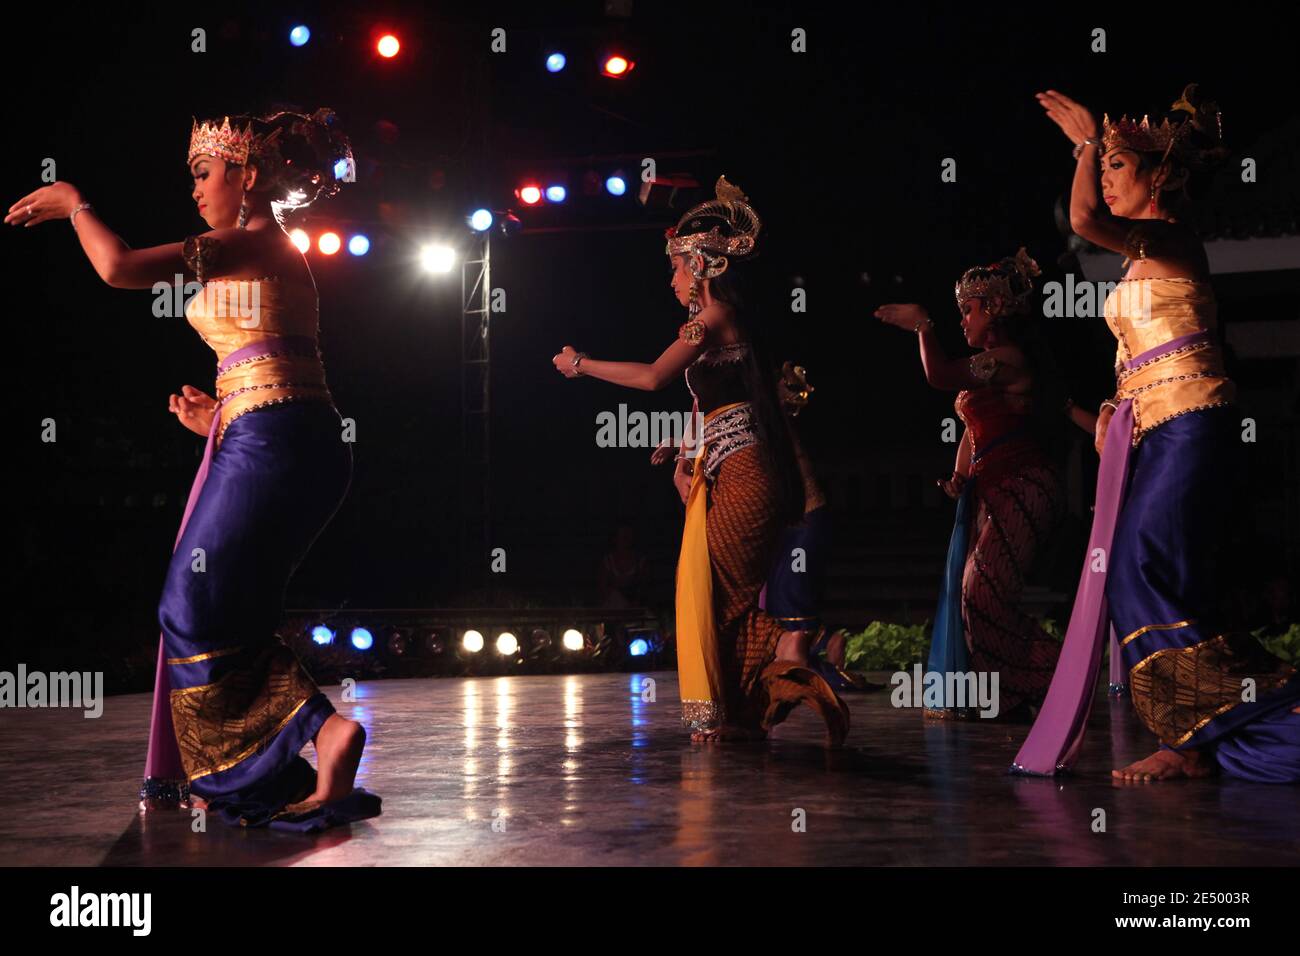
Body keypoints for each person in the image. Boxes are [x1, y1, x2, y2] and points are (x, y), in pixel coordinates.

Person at [7, 110, 382, 826]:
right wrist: (221, 414)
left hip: (277, 442)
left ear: (245, 177)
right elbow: (274, 358)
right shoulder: (261, 253)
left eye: (204, 174)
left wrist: (73, 203)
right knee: (226, 608)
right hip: (279, 436)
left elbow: (118, 268)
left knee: (190, 605)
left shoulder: (248, 242)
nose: (195, 190)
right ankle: (310, 743)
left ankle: (321, 731)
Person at [1014, 84, 1299, 782]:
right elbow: (1150, 345)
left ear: (1160, 176)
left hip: (1193, 423)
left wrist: (1083, 143)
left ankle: (1192, 733)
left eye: (1117, 164)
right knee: (1159, 572)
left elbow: (1079, 216)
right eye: (1104, 163)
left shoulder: (1172, 239)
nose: (1105, 177)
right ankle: (1200, 737)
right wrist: (1116, 403)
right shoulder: (1140, 259)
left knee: (1140, 567)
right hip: (1159, 429)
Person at [553, 176, 850, 745]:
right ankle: (753, 698)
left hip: (744, 473)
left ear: (702, 267)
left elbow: (651, 376)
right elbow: (707, 398)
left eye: (676, 267)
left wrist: (581, 364)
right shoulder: (721, 329)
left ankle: (786, 672)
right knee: (715, 598)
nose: (671, 278)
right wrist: (688, 448)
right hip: (727, 465)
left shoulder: (709, 321)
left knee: (721, 597)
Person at [876, 249, 1066, 719]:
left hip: (1022, 485)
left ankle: (1055, 676)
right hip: (992, 489)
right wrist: (961, 475)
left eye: (968, 309)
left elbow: (938, 374)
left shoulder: (1007, 359)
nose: (962, 319)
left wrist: (924, 326)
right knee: (975, 593)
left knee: (983, 593)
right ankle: (1015, 690)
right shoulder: (985, 366)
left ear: (995, 309)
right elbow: (971, 431)